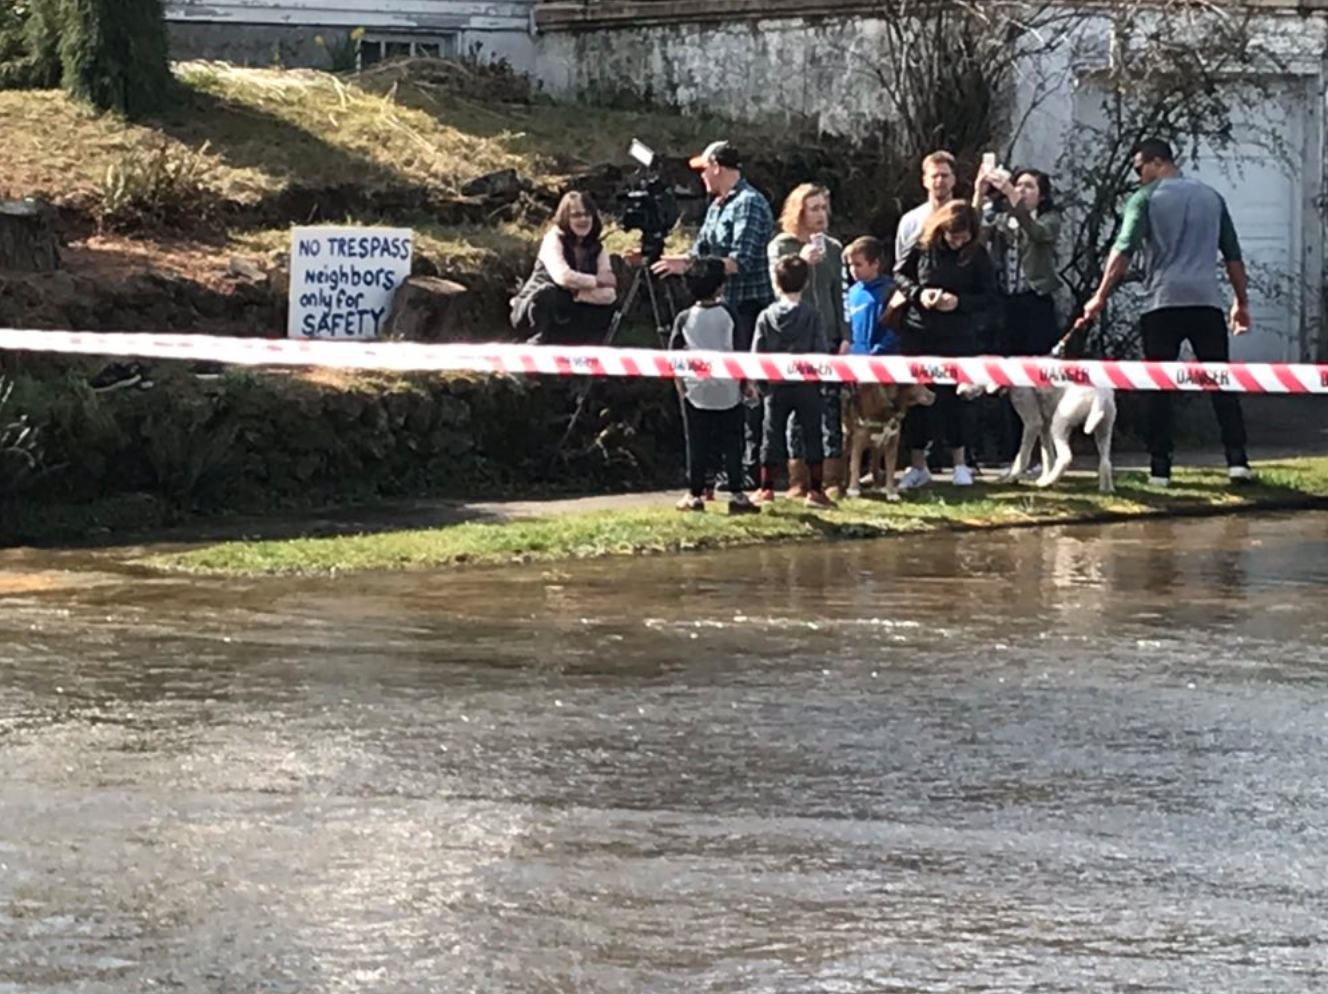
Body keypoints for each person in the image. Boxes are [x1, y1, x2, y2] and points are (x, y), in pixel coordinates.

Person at [1079, 138, 1252, 486]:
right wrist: (1241, 302)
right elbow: (1232, 254)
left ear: (1157, 162)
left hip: (1163, 302)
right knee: (1220, 380)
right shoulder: (1211, 197)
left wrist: (1099, 296)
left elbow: (1123, 251)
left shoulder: (1145, 199)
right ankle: (1237, 461)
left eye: (1139, 168)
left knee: (1158, 385)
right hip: (1206, 301)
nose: (1138, 176)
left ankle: (1160, 467)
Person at [653, 141, 775, 488]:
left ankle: (748, 470)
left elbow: (741, 261)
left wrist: (689, 265)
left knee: (744, 388)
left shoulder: (750, 204)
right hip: (715, 309)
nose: (702, 177)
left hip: (745, 310)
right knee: (709, 384)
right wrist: (666, 260)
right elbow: (700, 250)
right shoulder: (717, 206)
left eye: (704, 169)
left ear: (717, 167)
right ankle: (712, 470)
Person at [893, 201, 998, 489]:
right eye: (953, 236)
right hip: (919, 331)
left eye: (963, 237)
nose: (957, 242)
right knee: (917, 399)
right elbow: (900, 275)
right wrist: (920, 294)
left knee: (956, 401)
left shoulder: (977, 255)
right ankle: (917, 466)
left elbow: (990, 295)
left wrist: (960, 302)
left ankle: (960, 464)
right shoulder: (923, 246)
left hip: (958, 336)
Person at [974, 164, 1064, 467]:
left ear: (1041, 195)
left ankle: (1047, 451)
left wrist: (1013, 198)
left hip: (1035, 303)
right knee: (1010, 381)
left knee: (1041, 379)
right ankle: (1013, 450)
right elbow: (976, 235)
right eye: (1018, 185)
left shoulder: (1050, 219)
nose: (1022, 191)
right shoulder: (1002, 219)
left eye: (1029, 187)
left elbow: (1037, 233)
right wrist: (980, 194)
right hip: (1007, 304)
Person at [768, 184, 850, 496]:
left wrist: (846, 335)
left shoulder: (834, 247)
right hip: (794, 339)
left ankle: (832, 479)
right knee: (797, 413)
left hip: (827, 336)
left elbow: (839, 294)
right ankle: (798, 478)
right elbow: (778, 290)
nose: (820, 215)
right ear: (798, 212)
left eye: (823, 208)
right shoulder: (781, 246)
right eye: (813, 209)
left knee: (830, 408)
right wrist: (801, 262)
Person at [668, 257, 760, 516]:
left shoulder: (684, 318)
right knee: (733, 443)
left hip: (696, 390)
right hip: (728, 389)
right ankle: (737, 494)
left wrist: (681, 388)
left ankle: (695, 493)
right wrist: (747, 383)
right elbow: (740, 349)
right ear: (720, 286)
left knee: (696, 443)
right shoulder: (729, 313)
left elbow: (674, 356)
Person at [751, 255, 836, 509]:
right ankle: (816, 491)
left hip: (777, 385)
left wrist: (761, 383)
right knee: (812, 435)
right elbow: (820, 350)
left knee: (771, 435)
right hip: (806, 385)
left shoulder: (766, 316)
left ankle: (766, 488)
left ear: (776, 282)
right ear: (807, 283)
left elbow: (758, 352)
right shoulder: (812, 315)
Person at [510, 191, 617, 345]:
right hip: (532, 308)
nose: (583, 219)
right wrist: (595, 281)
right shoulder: (553, 239)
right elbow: (563, 277)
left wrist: (576, 291)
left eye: (587, 214)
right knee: (549, 293)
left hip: (570, 309)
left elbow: (609, 293)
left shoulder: (597, 248)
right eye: (576, 215)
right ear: (566, 218)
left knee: (604, 310)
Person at [895, 150, 958, 264]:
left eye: (944, 175)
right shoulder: (910, 221)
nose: (939, 180)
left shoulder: (965, 216)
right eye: (934, 176)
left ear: (953, 179)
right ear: (924, 181)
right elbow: (901, 263)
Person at [844, 236, 899, 356]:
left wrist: (878, 351)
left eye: (858, 265)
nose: (853, 270)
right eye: (850, 265)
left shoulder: (890, 290)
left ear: (875, 263)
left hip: (879, 361)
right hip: (851, 361)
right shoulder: (851, 292)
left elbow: (895, 329)